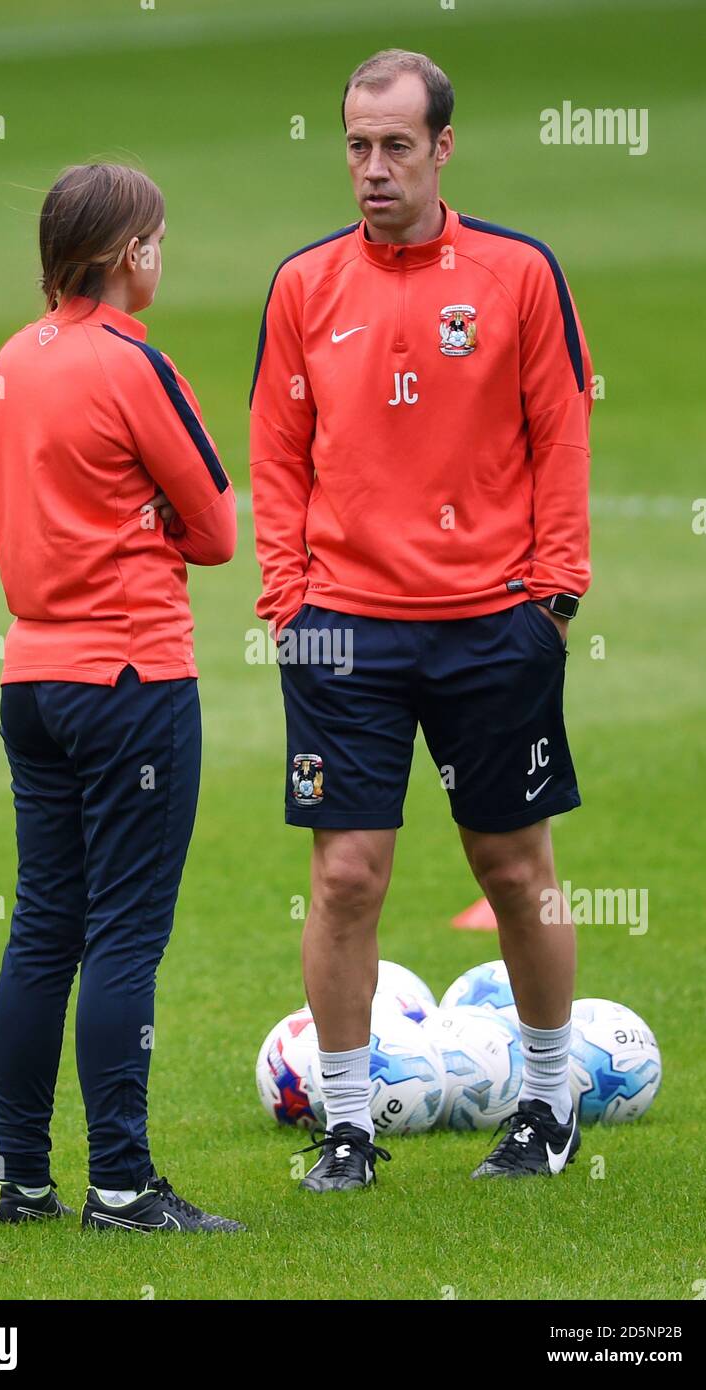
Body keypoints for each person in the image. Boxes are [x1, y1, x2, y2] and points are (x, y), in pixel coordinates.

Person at [250, 51, 593, 1189]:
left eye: (396, 145)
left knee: (510, 865)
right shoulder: (303, 286)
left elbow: (560, 436)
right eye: (356, 144)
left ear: (442, 148)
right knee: (346, 875)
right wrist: (287, 605)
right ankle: (346, 1129)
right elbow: (274, 458)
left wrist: (552, 599)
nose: (372, 168)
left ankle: (547, 1107)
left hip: (492, 623)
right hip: (341, 630)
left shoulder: (516, 274)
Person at [0, 162, 242, 1232]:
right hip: (131, 677)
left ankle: (21, 1178)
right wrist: (148, 528)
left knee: (43, 927)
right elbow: (220, 532)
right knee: (125, 936)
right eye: (157, 239)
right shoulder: (133, 362)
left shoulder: (15, 356)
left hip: (32, 679)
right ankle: (125, 1185)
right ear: (128, 252)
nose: (161, 255)